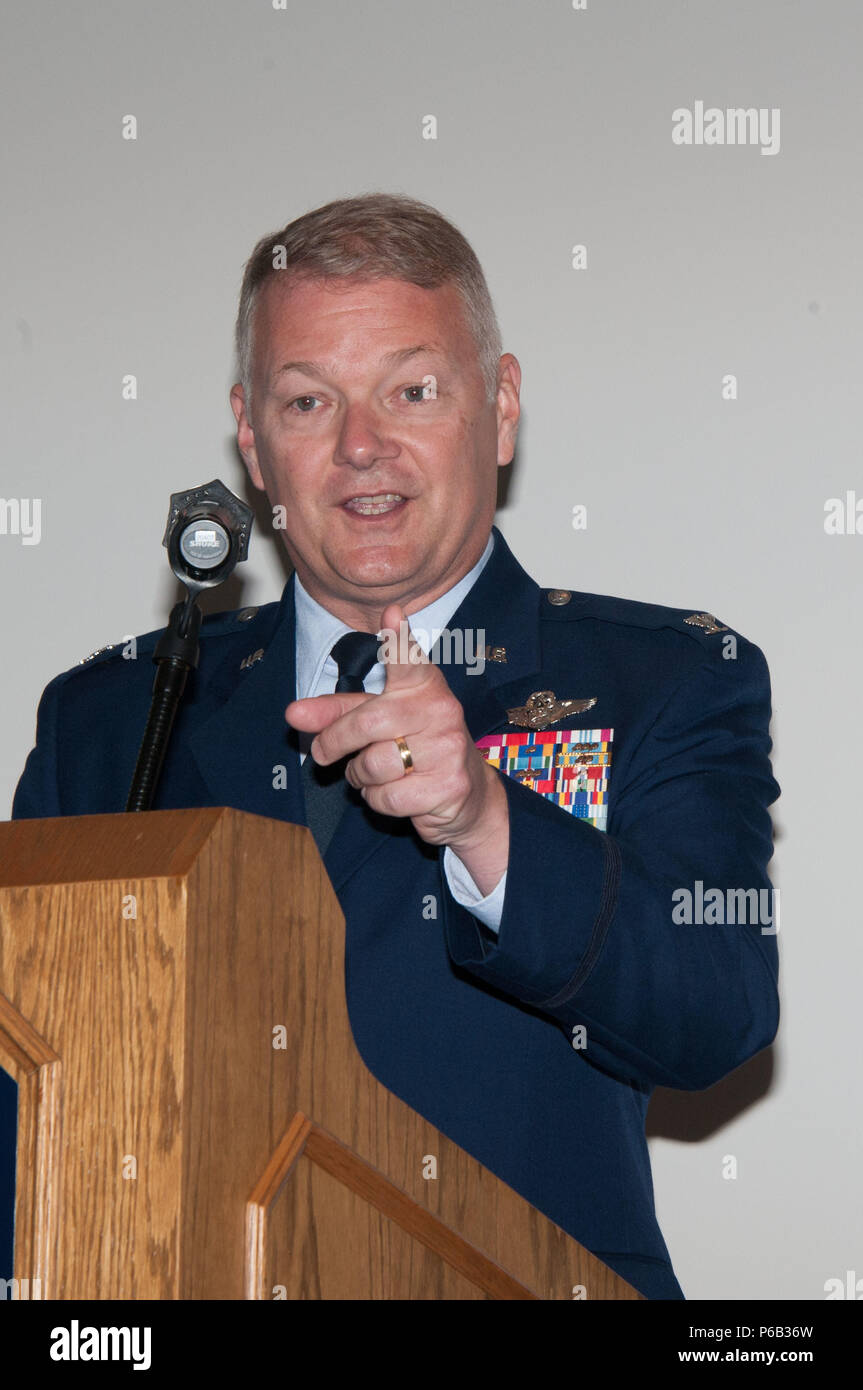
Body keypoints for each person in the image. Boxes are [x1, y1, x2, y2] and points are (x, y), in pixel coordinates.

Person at [11, 193, 780, 1300]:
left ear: (500, 409)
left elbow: (716, 1012)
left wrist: (482, 818)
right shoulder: (114, 717)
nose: (360, 444)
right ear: (253, 443)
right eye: (307, 400)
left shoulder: (662, 679)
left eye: (411, 391)